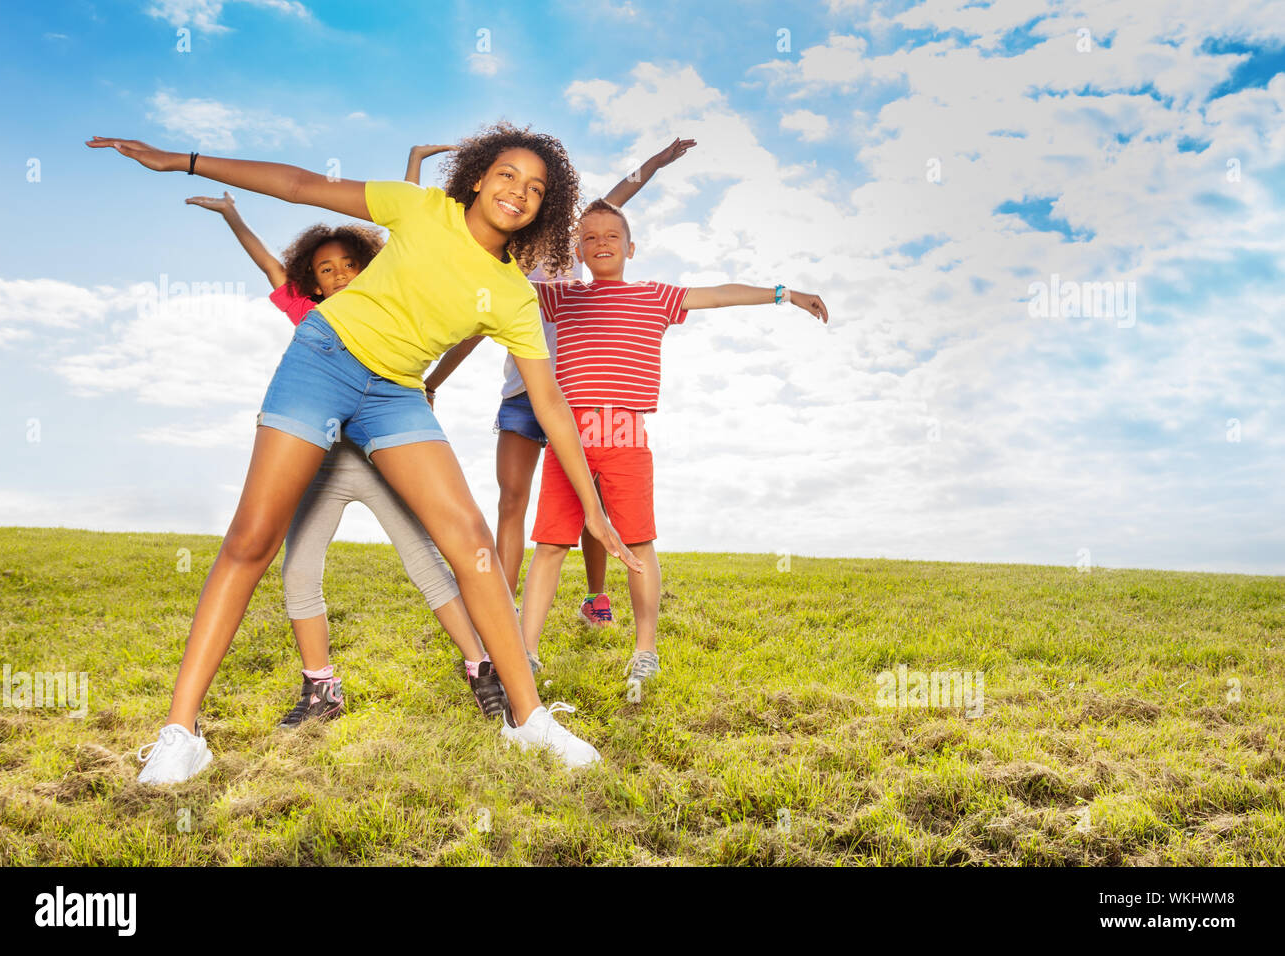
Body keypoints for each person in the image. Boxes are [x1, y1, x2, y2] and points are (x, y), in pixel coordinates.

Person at [88, 122, 642, 783]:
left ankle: (528, 721)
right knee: (253, 538)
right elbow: (302, 186)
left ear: (543, 209)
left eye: (535, 188)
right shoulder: (421, 209)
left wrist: (592, 507)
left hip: (395, 395)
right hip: (324, 358)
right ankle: (182, 732)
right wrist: (183, 160)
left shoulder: (515, 295)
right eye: (506, 175)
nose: (519, 192)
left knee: (470, 543)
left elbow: (549, 405)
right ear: (474, 179)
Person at [184, 145, 509, 727]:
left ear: (369, 268)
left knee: (425, 559)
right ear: (313, 278)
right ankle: (321, 689)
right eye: (325, 270)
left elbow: (401, 228)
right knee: (299, 568)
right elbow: (268, 264)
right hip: (321, 462)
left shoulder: (392, 293)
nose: (337, 276)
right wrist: (234, 214)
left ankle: (481, 665)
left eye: (348, 267)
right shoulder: (310, 316)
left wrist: (410, 164)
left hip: (380, 455)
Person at [518, 198, 827, 695]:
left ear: (631, 247)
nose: (600, 244)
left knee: (638, 542)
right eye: (590, 237)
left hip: (626, 438)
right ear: (577, 248)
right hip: (568, 437)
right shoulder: (562, 296)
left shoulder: (654, 296)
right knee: (551, 542)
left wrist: (783, 293)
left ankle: (645, 651)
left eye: (611, 236)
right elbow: (496, 286)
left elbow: (721, 295)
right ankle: (525, 652)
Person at [421, 138, 696, 652]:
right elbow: (472, 333)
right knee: (515, 501)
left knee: (595, 498)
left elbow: (616, 200)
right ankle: (503, 605)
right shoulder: (505, 267)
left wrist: (656, 163)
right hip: (525, 395)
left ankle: (596, 596)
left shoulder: (570, 252)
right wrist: (433, 380)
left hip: (581, 395)